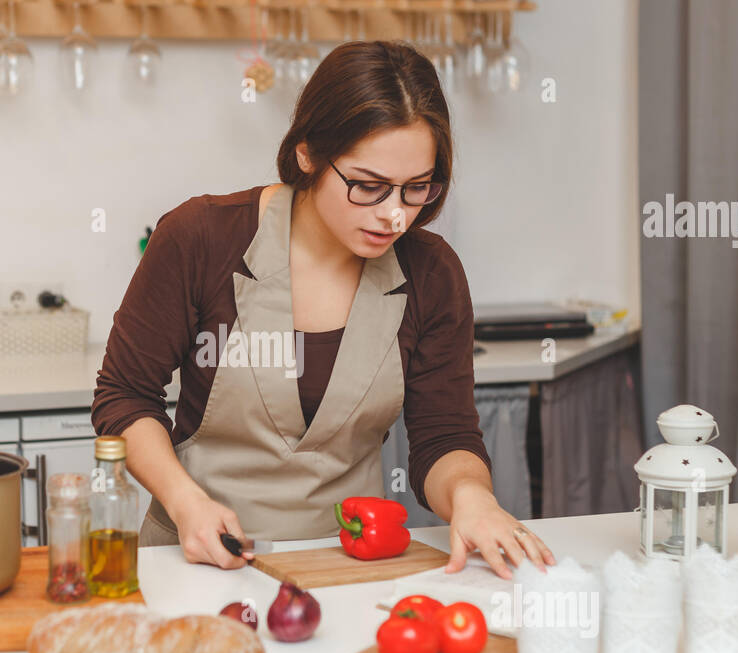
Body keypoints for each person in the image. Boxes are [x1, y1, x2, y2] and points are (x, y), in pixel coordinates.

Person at [92, 40, 555, 579]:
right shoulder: (199, 238)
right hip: (196, 557)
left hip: (354, 561)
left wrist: (471, 495)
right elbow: (124, 397)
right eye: (368, 186)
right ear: (307, 153)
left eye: (416, 189)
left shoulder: (432, 272)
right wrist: (184, 501)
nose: (394, 216)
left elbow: (443, 436)